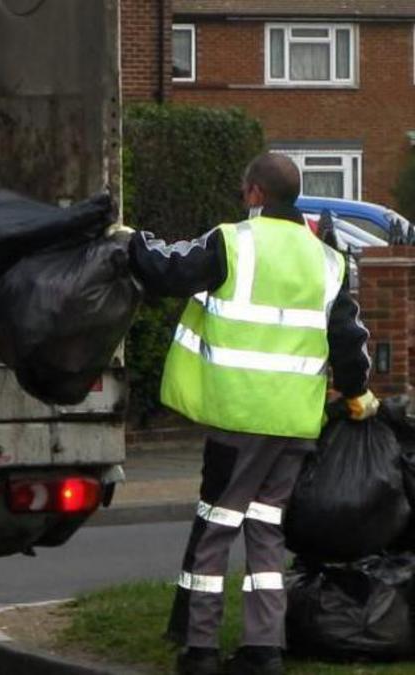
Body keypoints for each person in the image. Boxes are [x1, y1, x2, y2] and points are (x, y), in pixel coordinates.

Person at [126, 153, 376, 675]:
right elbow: (349, 342)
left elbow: (169, 270)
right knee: (266, 530)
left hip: (239, 418)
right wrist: (356, 395)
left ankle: (199, 650)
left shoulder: (233, 242)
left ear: (256, 194)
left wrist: (128, 239)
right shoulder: (327, 259)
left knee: (217, 527)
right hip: (294, 425)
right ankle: (264, 650)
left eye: (245, 190)